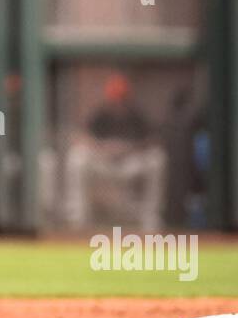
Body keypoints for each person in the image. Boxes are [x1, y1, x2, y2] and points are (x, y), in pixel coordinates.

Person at [63, 72, 166, 231]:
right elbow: (80, 136)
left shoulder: (136, 115)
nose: (118, 102)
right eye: (115, 98)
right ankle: (78, 217)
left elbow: (154, 139)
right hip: (104, 161)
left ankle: (151, 217)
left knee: (157, 159)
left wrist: (129, 148)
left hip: (130, 162)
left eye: (122, 98)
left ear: (127, 98)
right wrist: (102, 147)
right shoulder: (101, 114)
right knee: (76, 157)